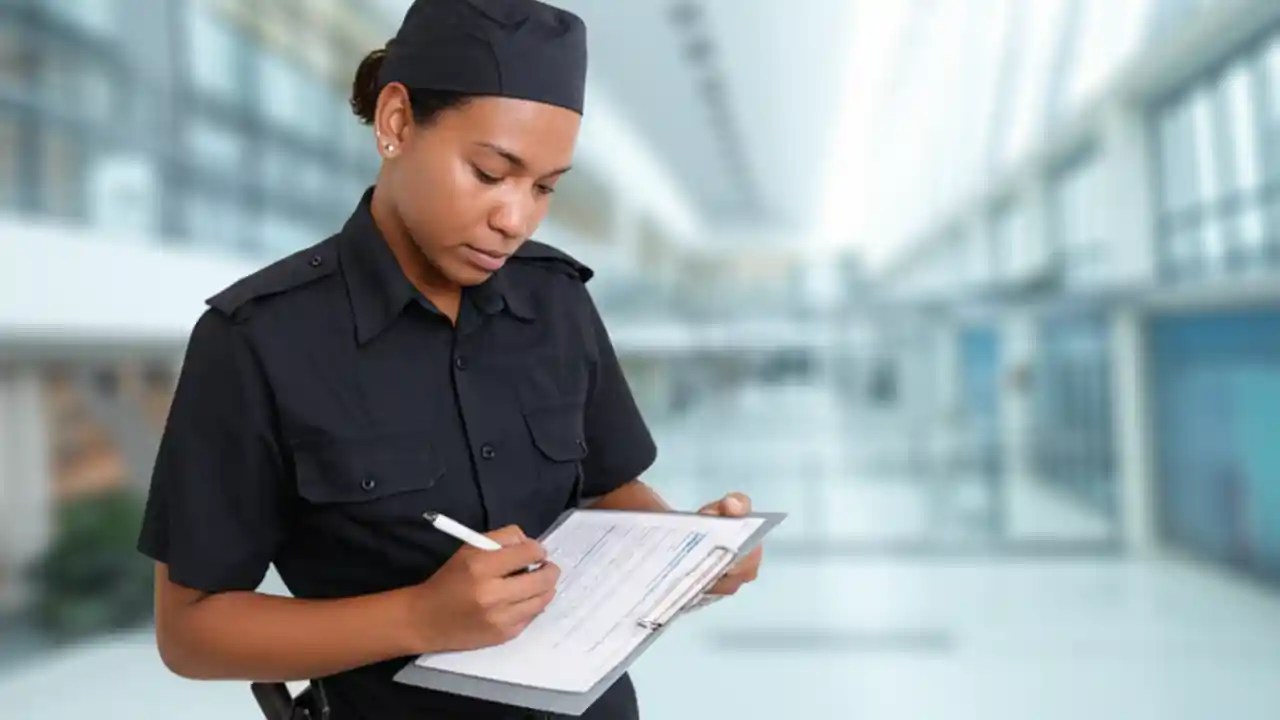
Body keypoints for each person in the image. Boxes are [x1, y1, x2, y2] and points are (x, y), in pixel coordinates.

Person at [136, 1, 765, 718]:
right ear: (396, 123)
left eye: (544, 187)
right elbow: (190, 632)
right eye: (491, 172)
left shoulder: (556, 300)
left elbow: (611, 490)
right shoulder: (258, 339)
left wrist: (688, 550)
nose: (515, 218)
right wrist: (422, 617)